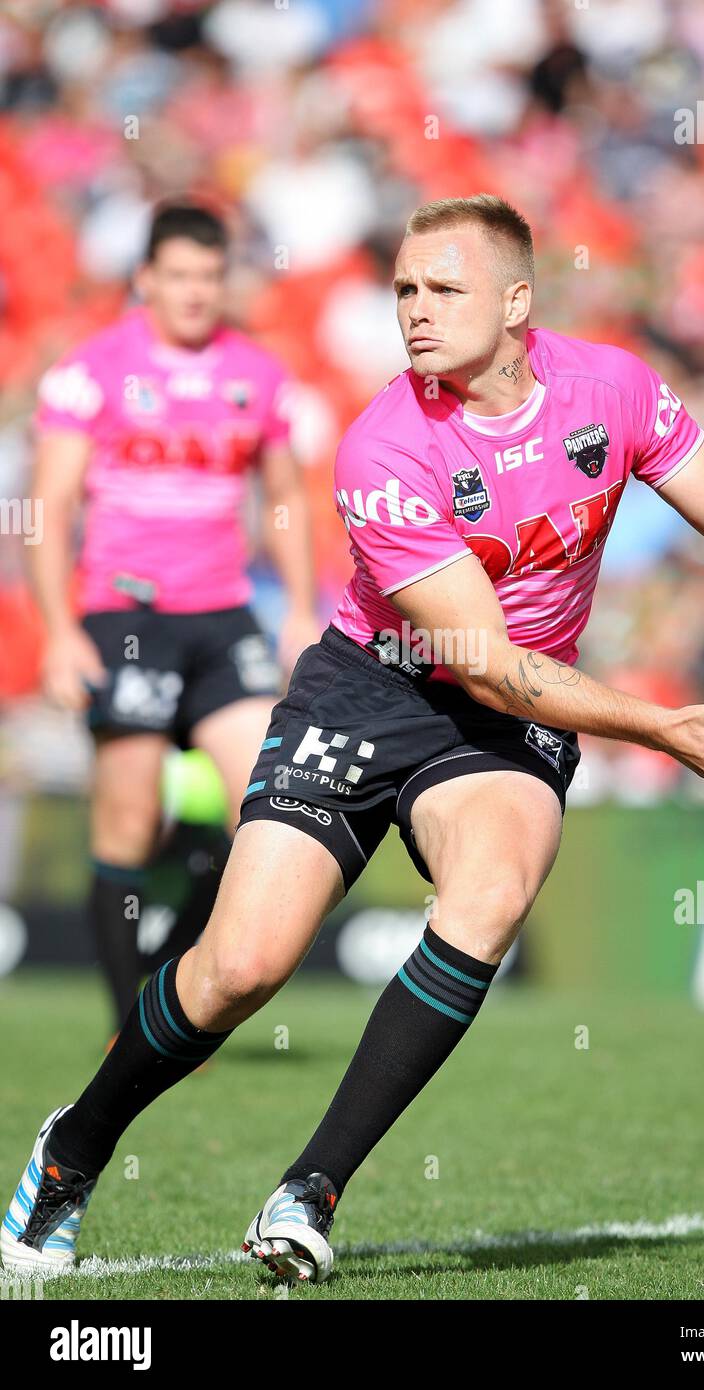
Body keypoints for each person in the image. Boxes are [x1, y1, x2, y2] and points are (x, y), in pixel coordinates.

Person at [4, 195, 704, 1284]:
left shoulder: (615, 391)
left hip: (502, 723)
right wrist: (663, 727)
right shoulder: (382, 446)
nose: (412, 310)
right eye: (404, 289)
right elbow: (488, 660)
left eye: (441, 288)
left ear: (516, 300)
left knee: (493, 885)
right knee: (239, 969)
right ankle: (73, 1148)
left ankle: (308, 1189)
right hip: (368, 694)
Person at [27, 201, 319, 1042]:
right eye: (179, 276)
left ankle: (173, 986)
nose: (195, 293)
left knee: (269, 809)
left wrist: (299, 606)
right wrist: (57, 627)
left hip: (223, 616)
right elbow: (48, 505)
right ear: (146, 278)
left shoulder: (257, 375)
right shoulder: (94, 371)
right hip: (127, 616)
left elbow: (286, 498)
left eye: (210, 277)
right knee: (125, 823)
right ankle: (131, 1030)